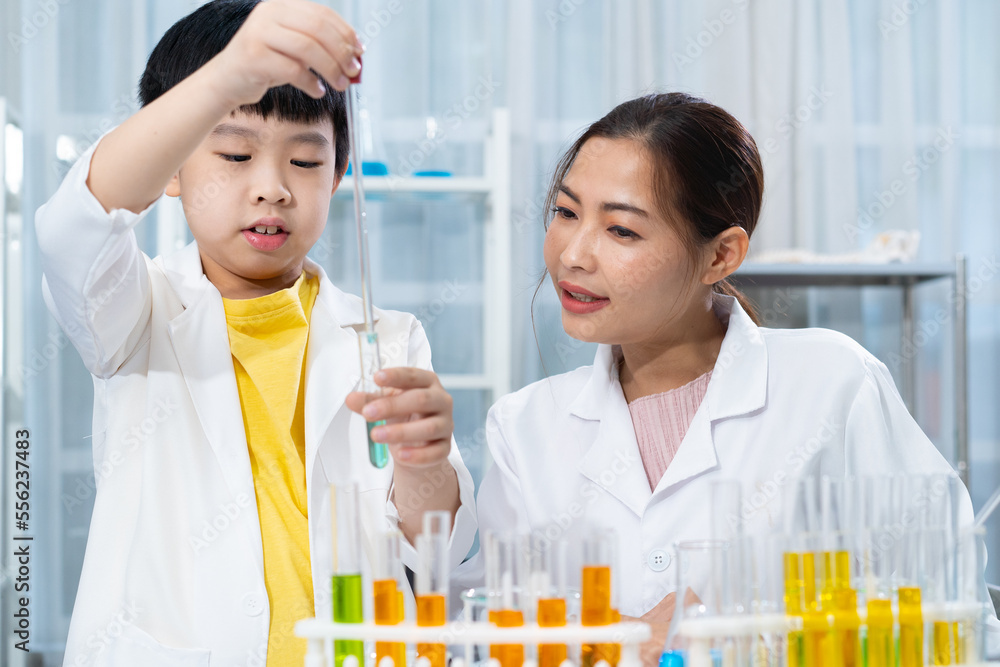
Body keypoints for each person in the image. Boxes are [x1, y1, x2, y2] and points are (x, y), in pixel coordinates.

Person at [466, 92, 994, 666]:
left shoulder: (832, 384)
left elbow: (958, 622)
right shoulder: (524, 428)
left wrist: (753, 634)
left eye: (621, 230)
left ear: (720, 256)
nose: (572, 254)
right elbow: (491, 639)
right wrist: (615, 644)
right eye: (566, 213)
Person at [35, 1, 475, 664]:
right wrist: (229, 74)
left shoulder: (388, 337)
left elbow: (434, 547)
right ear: (172, 169)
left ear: (340, 173)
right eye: (235, 153)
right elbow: (75, 226)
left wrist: (427, 460)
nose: (272, 188)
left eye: (305, 162)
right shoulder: (135, 313)